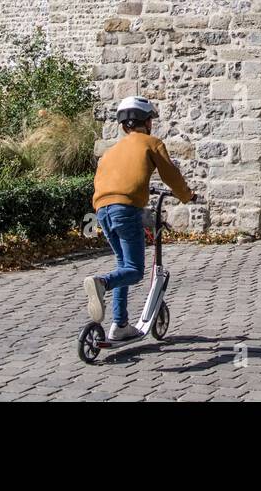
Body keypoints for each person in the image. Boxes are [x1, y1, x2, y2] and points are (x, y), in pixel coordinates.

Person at [84, 95, 194, 342]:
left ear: (123, 126)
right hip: (126, 210)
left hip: (101, 210)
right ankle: (101, 282)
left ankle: (120, 325)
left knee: (123, 265)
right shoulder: (151, 143)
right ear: (148, 122)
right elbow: (171, 176)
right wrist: (187, 196)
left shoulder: (110, 153)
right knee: (134, 270)